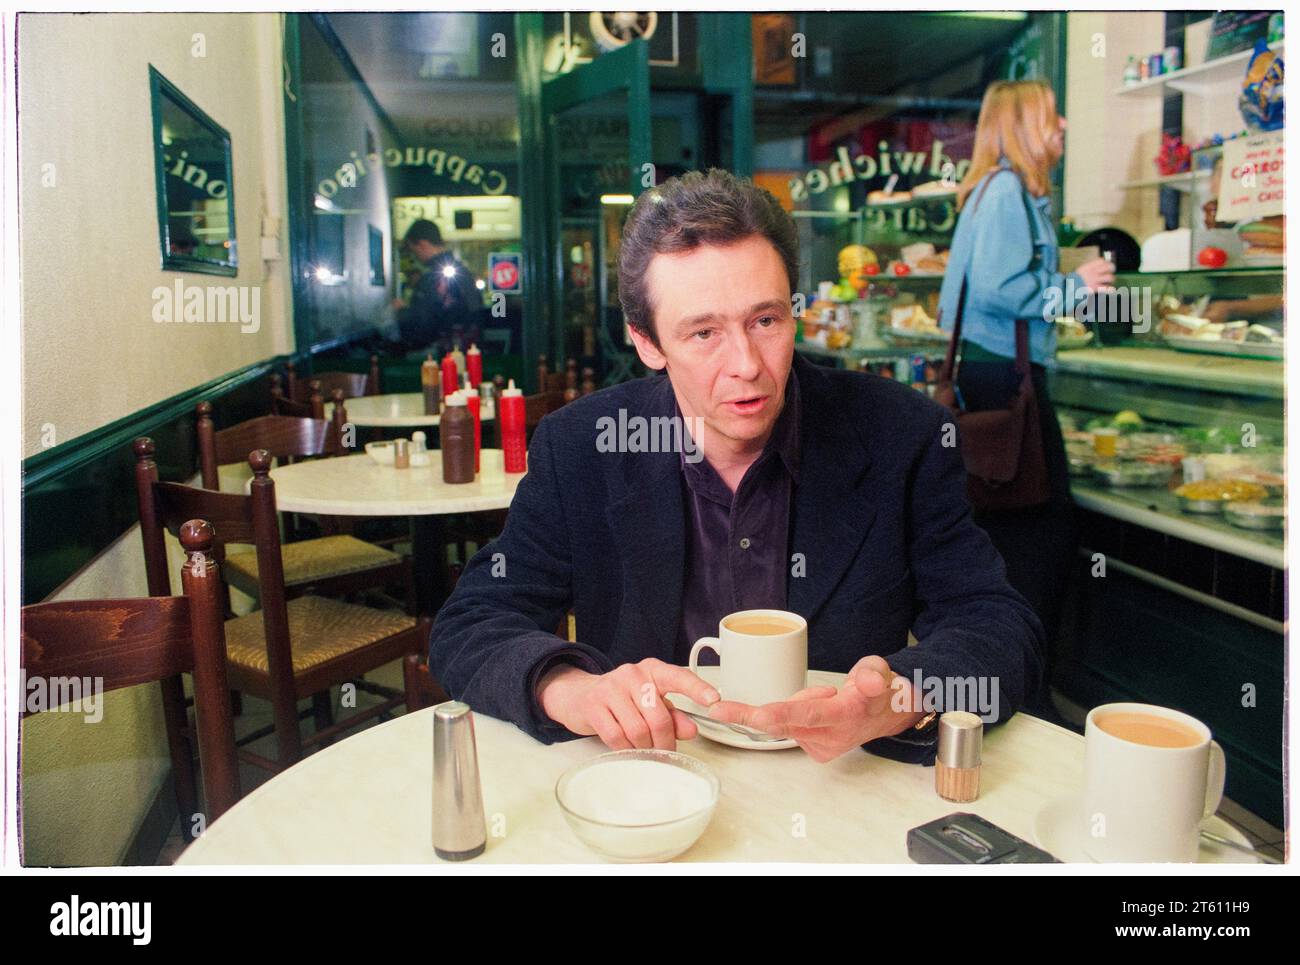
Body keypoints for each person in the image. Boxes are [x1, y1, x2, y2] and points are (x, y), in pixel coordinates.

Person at [428, 169, 1043, 764]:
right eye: (703, 333)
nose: (747, 364)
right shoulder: (582, 446)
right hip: (651, 784)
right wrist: (569, 687)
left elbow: (1001, 626)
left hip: (838, 788)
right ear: (647, 342)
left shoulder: (900, 436)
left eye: (766, 320)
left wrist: (906, 697)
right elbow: (471, 622)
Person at [936, 80, 1113, 720]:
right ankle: (1033, 696)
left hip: (984, 384)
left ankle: (1006, 687)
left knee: (1007, 542)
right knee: (1044, 537)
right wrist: (1075, 285)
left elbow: (957, 298)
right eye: (1050, 113)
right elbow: (997, 289)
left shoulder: (991, 192)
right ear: (1022, 124)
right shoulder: (1009, 190)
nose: (1063, 122)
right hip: (1009, 389)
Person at [392, 219, 481, 354]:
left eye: (413, 250)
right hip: (465, 347)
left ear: (422, 245)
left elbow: (425, 322)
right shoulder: (460, 270)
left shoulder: (433, 275)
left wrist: (403, 310)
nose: (415, 257)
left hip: (442, 351)